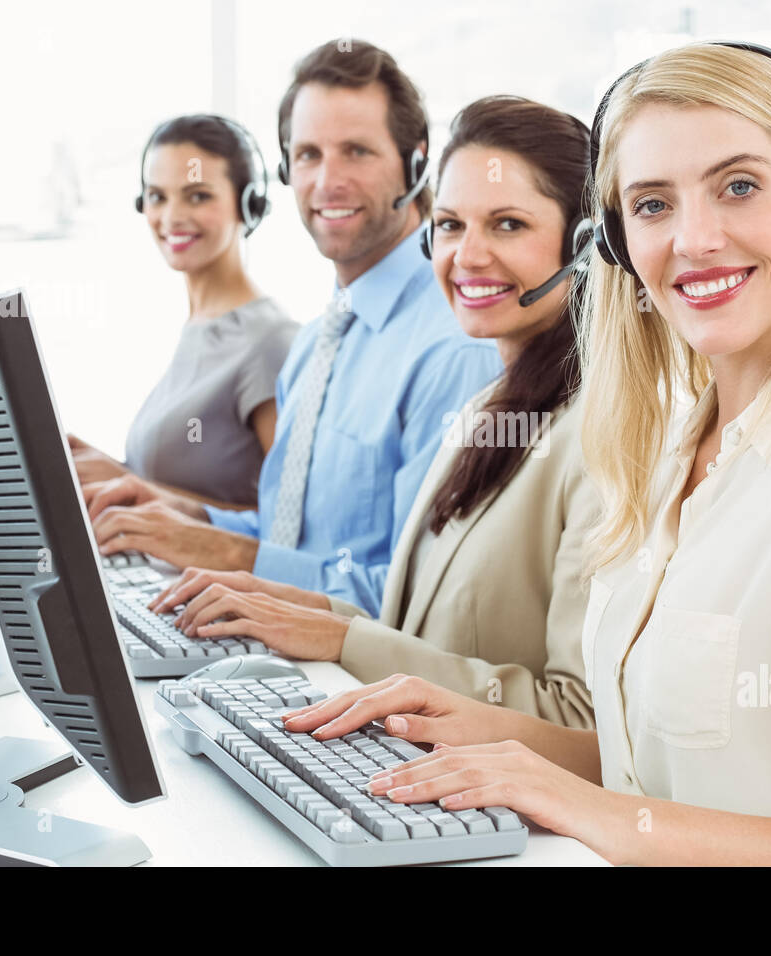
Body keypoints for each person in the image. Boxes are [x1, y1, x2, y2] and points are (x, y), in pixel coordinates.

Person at [278, 42, 771, 866]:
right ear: (620, 245)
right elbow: (660, 775)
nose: (694, 239)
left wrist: (589, 812)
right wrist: (480, 727)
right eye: (654, 204)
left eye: (738, 186)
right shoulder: (668, 454)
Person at [146, 96, 600, 727]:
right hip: (419, 766)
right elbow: (416, 625)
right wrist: (279, 602)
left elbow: (584, 722)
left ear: (585, 244)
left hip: (504, 806)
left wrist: (341, 639)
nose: (466, 257)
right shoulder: (488, 406)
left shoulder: (598, 440)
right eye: (449, 225)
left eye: (508, 225)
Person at [83, 40, 503, 616]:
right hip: (275, 648)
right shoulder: (318, 340)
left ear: (415, 163)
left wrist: (227, 554)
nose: (327, 181)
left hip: (352, 677)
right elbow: (294, 538)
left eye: (356, 151)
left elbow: (418, 597)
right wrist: (183, 514)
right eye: (307, 155)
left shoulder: (452, 347)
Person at [69, 114, 297, 509]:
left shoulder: (270, 342)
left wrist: (129, 485)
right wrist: (107, 471)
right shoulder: (200, 326)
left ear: (249, 204)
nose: (172, 216)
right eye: (158, 196)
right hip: (154, 567)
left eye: (197, 195)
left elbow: (289, 530)